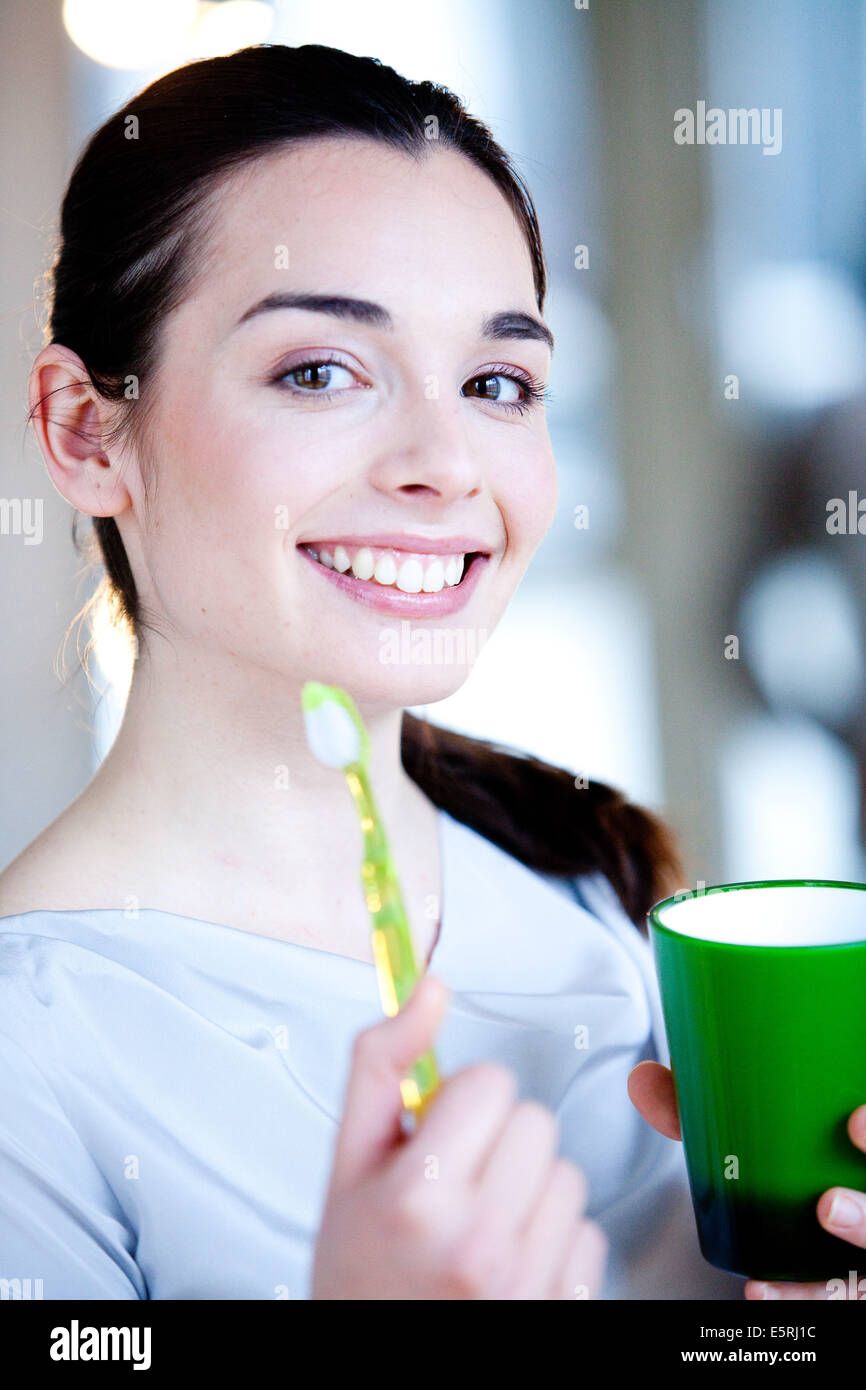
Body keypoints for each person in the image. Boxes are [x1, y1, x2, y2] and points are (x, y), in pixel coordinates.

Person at [2, 43, 861, 1300]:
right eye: (320, 371)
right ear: (86, 431)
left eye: (497, 382)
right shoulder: (35, 1053)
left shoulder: (599, 901)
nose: (446, 462)